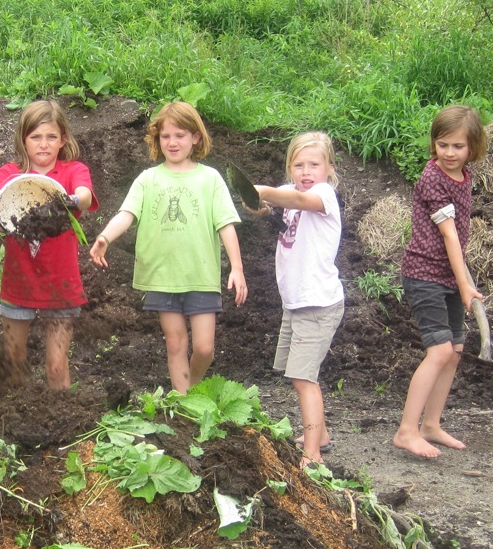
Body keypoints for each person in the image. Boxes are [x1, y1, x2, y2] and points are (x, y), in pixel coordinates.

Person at [90, 101, 247, 394]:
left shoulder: (209, 178)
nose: (172, 143)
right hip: (161, 274)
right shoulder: (148, 179)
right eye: (165, 137)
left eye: (180, 135)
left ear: (195, 137)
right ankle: (182, 400)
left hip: (200, 275)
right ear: (157, 139)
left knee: (204, 348)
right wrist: (105, 238)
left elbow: (225, 224)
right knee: (175, 342)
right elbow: (127, 214)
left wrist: (236, 268)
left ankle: (193, 386)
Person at [244, 132, 344, 467]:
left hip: (317, 303)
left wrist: (261, 191)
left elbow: (298, 202)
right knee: (297, 374)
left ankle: (312, 454)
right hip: (296, 301)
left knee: (304, 378)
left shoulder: (324, 194)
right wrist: (256, 203)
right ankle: (322, 435)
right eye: (298, 165)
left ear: (329, 168)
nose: (306, 171)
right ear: (290, 168)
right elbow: (268, 205)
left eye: (314, 165)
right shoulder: (290, 192)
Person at [393, 105, 487, 458]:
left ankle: (430, 425)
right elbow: (449, 235)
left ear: (472, 148)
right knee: (439, 351)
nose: (449, 153)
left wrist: (459, 278)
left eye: (458, 147)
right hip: (425, 274)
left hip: (447, 274)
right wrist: (465, 285)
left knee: (455, 352)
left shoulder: (466, 177)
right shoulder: (432, 178)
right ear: (434, 144)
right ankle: (406, 430)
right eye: (443, 144)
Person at [0, 100, 97, 389]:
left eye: (51, 137)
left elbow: (84, 195)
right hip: (19, 281)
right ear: (24, 139)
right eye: (36, 137)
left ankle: (63, 423)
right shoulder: (11, 173)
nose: (44, 145)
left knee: (57, 366)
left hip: (60, 283)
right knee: (13, 357)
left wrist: (69, 201)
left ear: (63, 139)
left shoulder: (73, 171)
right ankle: (15, 421)